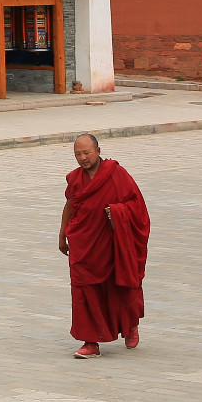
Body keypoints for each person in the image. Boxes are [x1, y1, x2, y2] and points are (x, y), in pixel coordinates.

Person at [58, 133, 151, 358]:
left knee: (118, 285)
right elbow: (70, 205)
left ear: (98, 151)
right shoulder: (75, 178)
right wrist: (62, 235)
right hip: (83, 243)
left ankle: (129, 324)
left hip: (111, 244)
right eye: (77, 154)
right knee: (83, 289)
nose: (82, 158)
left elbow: (138, 208)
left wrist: (118, 213)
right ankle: (90, 342)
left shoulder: (117, 174)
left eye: (86, 153)